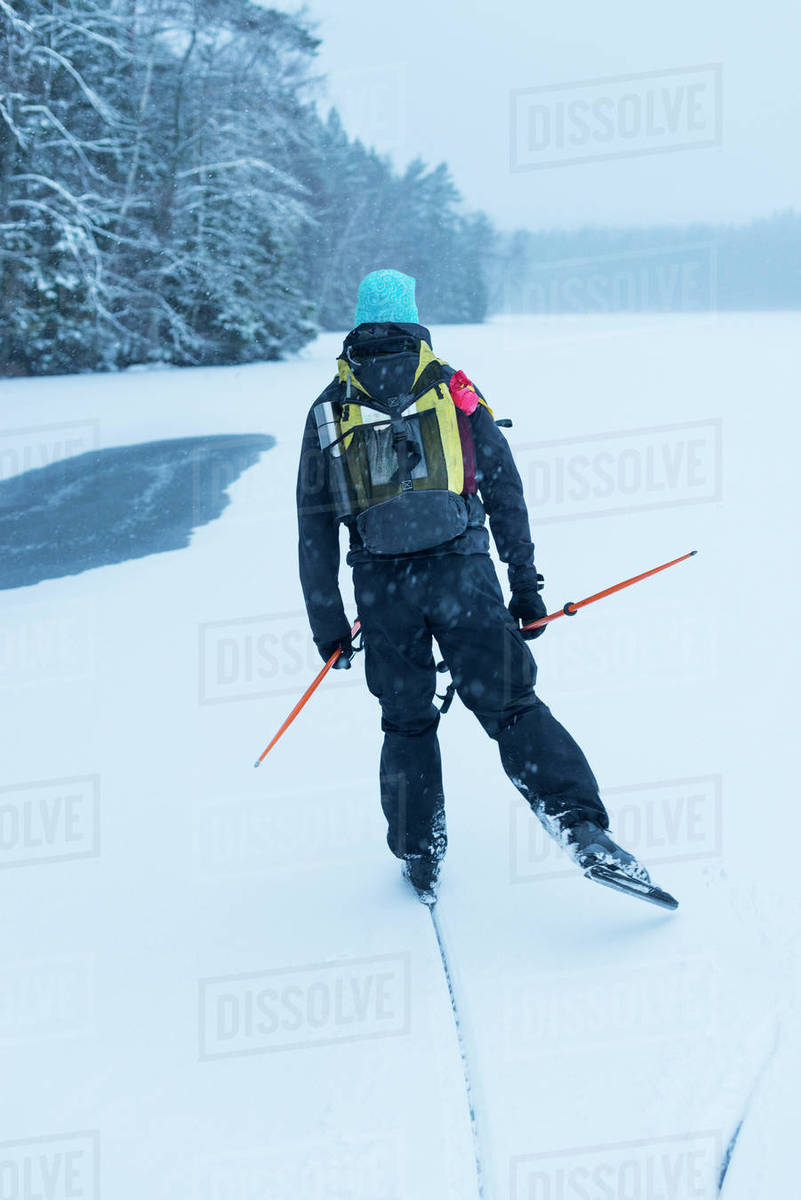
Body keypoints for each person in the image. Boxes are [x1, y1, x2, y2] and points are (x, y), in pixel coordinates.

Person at [296, 268, 649, 904]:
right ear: (413, 316)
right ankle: (581, 827)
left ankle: (419, 852)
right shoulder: (453, 387)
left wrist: (328, 627)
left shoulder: (329, 406)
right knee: (514, 708)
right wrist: (526, 588)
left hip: (383, 590)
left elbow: (314, 529)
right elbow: (503, 489)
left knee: (406, 724)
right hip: (463, 573)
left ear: (358, 319)